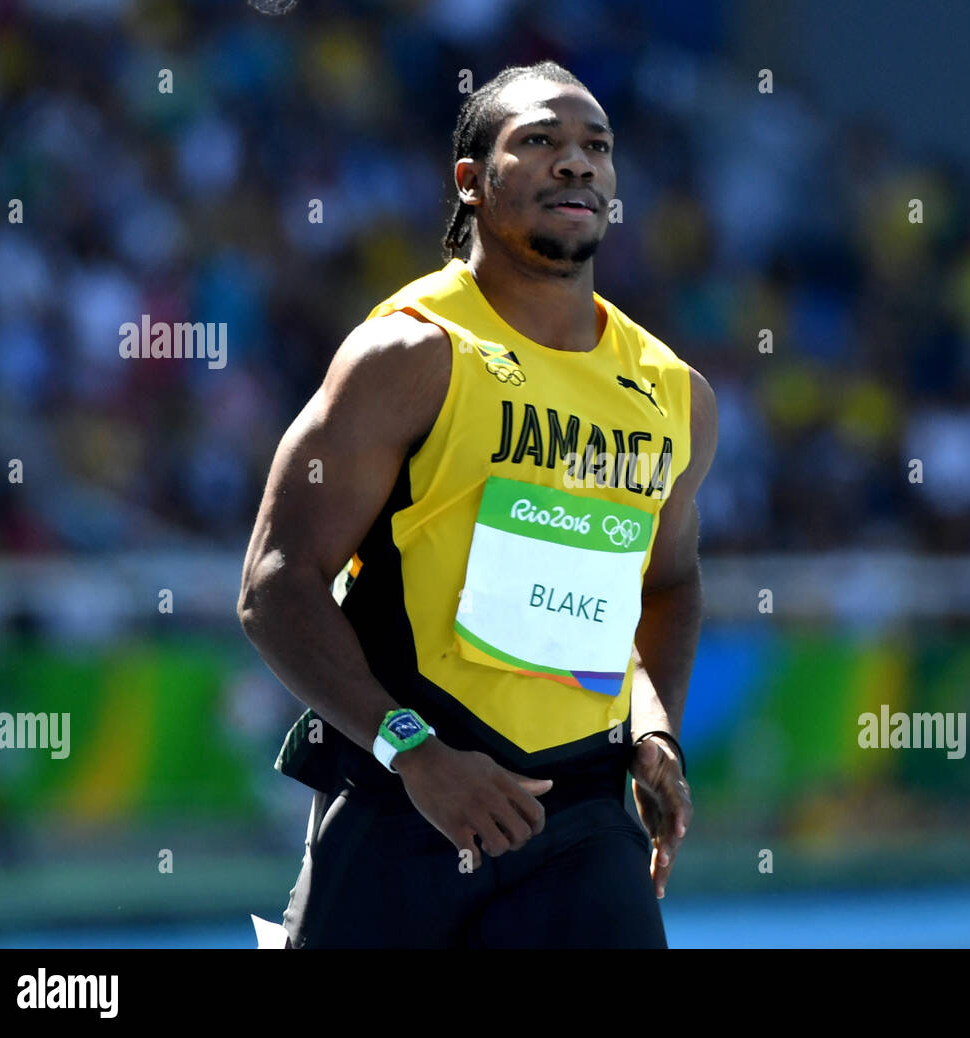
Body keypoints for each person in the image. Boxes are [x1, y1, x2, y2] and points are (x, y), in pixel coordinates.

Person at [237, 60, 717, 948]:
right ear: (472, 179)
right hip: (407, 803)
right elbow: (274, 584)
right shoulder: (410, 354)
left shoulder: (673, 393)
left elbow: (670, 583)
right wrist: (415, 754)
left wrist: (656, 732)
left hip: (582, 815)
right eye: (540, 141)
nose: (577, 163)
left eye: (597, 148)